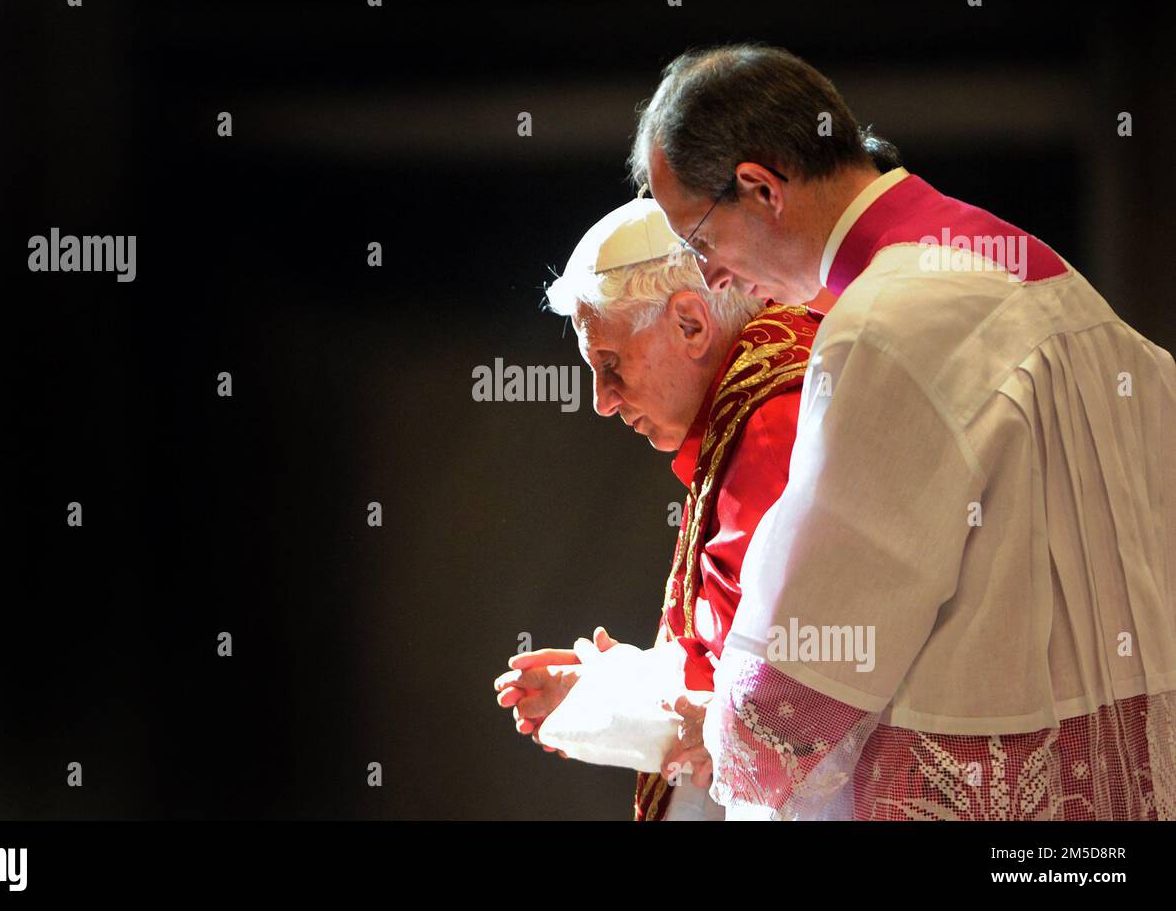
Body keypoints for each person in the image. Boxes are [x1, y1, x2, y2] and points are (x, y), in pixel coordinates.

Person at [632, 42, 1176, 819]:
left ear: (759, 187)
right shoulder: (1062, 289)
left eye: (700, 241)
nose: (711, 276)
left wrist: (720, 728)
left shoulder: (884, 323)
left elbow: (820, 638)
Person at [492, 196, 821, 819]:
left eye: (610, 366)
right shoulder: (757, 397)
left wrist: (593, 706)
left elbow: (760, 706)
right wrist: (602, 686)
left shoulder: (773, 421)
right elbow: (732, 671)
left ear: (691, 324)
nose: (602, 402)